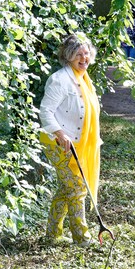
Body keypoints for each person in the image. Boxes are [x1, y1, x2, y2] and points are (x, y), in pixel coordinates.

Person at [39, 33, 102, 247]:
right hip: (58, 143)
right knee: (76, 188)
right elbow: (45, 111)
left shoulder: (84, 80)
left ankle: (52, 233)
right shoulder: (60, 80)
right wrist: (60, 133)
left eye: (87, 54)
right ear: (68, 57)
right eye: (78, 54)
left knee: (67, 189)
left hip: (78, 144)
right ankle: (81, 238)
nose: (84, 58)